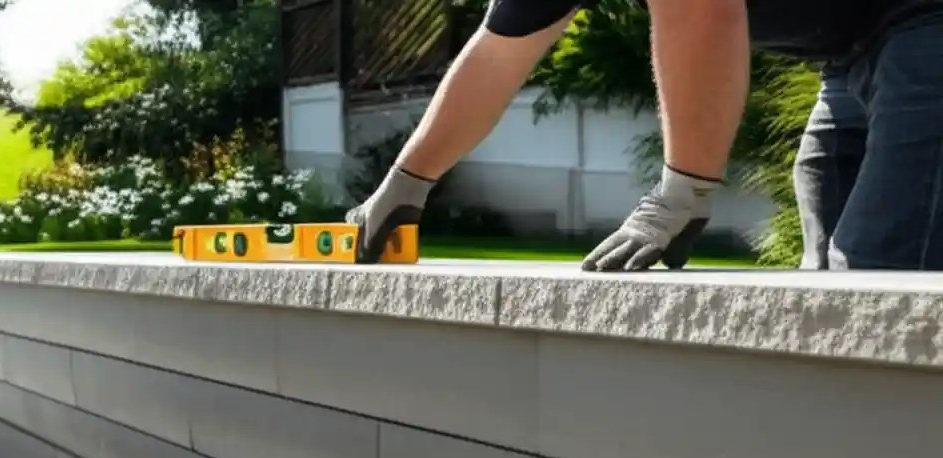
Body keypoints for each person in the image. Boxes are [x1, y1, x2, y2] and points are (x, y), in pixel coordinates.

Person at [345, 0, 943, 271]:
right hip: (850, 55)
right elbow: (497, 57)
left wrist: (681, 195)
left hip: (925, 26)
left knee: (875, 279)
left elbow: (704, 10)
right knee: (830, 301)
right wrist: (405, 184)